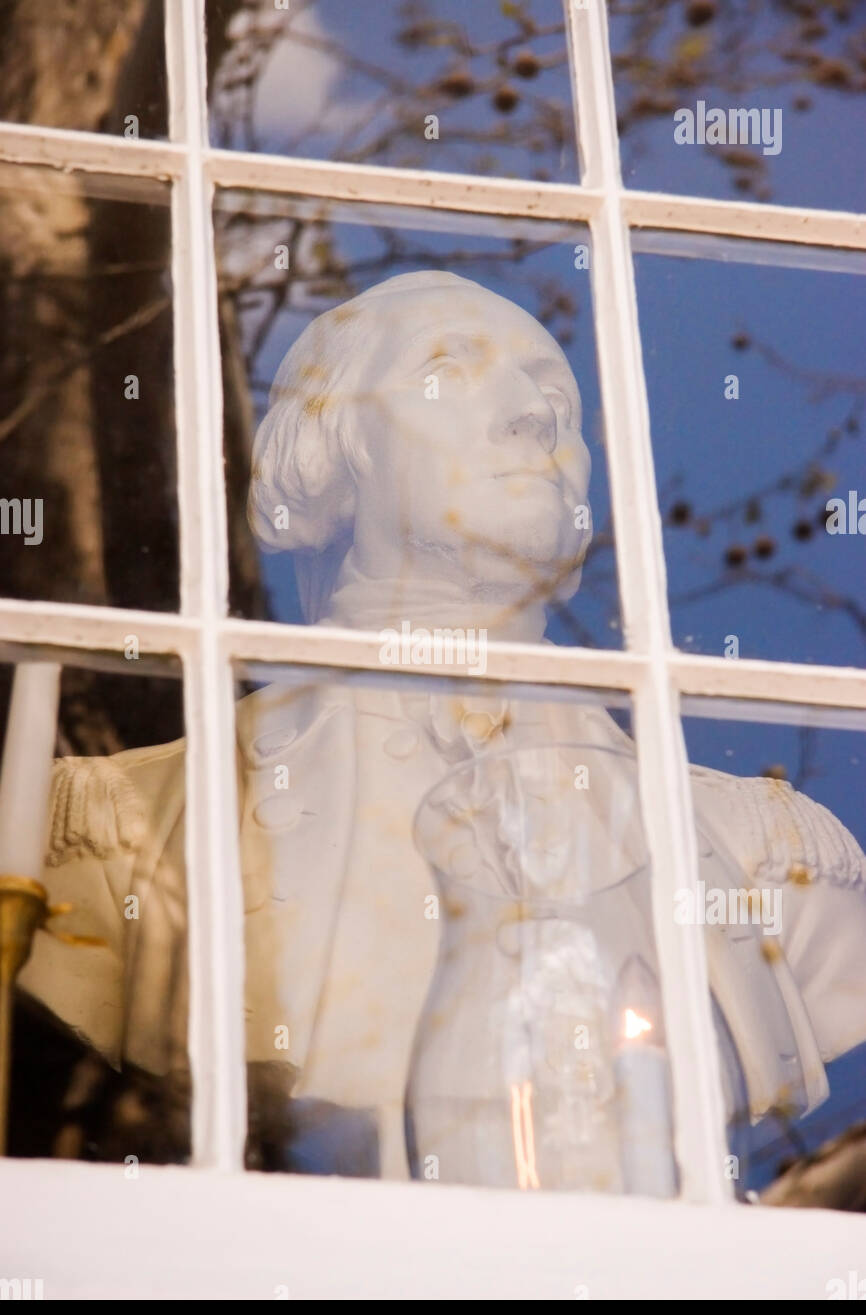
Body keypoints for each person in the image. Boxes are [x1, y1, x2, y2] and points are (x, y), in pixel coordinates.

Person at [19, 272, 866, 1186]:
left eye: (555, 396)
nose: (533, 419)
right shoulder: (115, 837)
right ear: (329, 457)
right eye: (449, 371)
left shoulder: (774, 858)